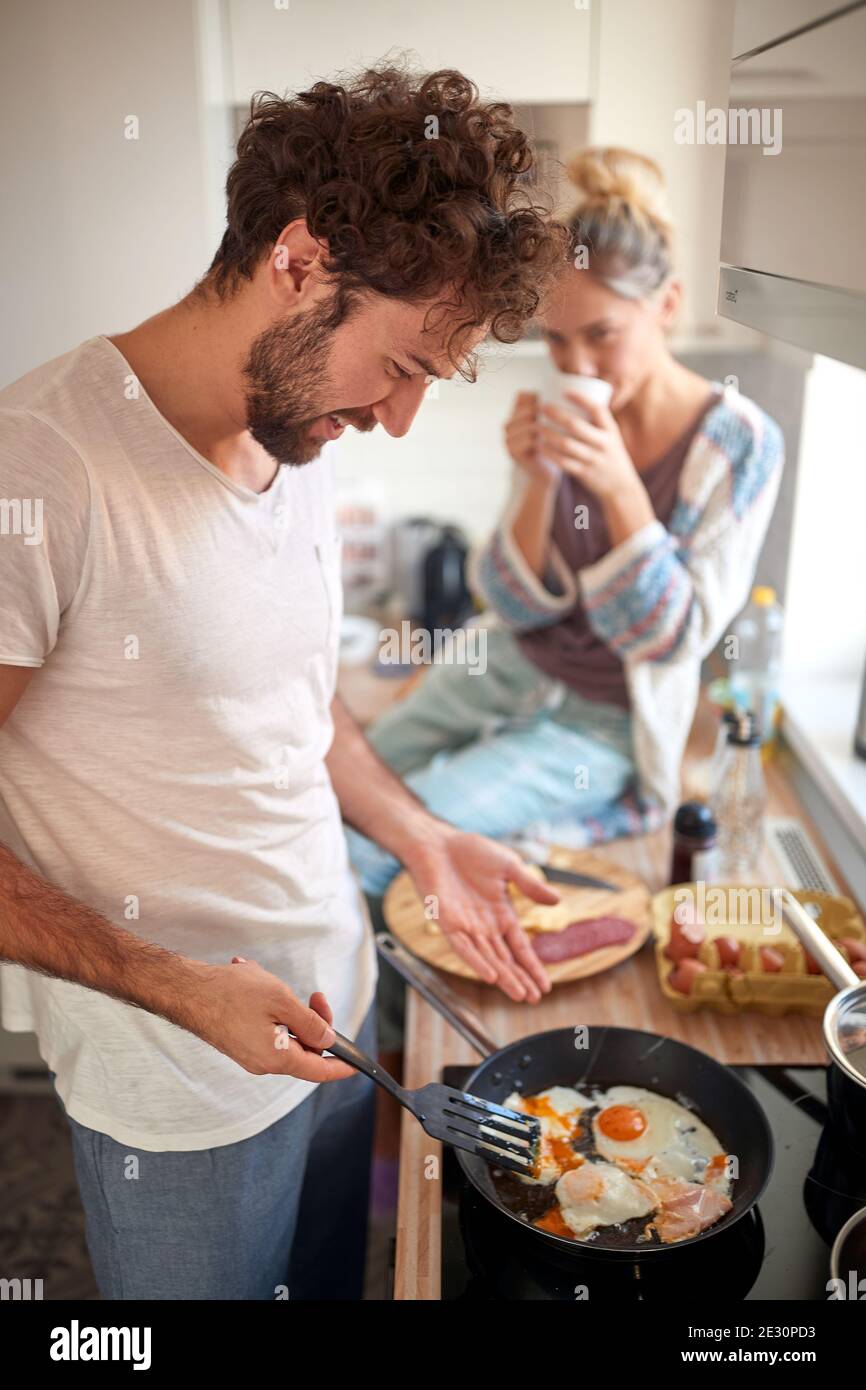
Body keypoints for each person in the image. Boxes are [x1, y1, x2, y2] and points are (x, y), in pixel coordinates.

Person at [0, 64, 568, 1301]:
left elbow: (295, 705)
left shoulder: (294, 429)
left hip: (336, 1012)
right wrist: (175, 986)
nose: (402, 418)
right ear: (302, 261)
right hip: (181, 1091)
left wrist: (418, 836)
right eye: (404, 364)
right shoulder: (40, 467)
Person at [347, 147, 785, 899]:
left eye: (602, 334)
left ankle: (353, 1019)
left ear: (668, 306)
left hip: (602, 728)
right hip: (504, 669)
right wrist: (539, 486)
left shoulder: (738, 445)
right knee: (342, 797)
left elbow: (672, 638)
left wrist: (618, 488)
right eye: (556, 339)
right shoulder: (558, 412)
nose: (576, 364)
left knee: (379, 855)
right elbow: (510, 604)